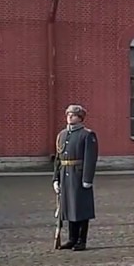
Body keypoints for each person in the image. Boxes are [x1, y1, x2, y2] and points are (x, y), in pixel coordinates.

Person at [53, 104, 99, 251]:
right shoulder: (62, 135)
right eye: (68, 114)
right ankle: (72, 238)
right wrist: (56, 178)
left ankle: (81, 240)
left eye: (73, 115)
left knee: (80, 208)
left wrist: (87, 179)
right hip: (65, 174)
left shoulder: (87, 135)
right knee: (68, 208)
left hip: (78, 175)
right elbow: (58, 159)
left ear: (80, 118)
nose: (70, 117)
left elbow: (90, 158)